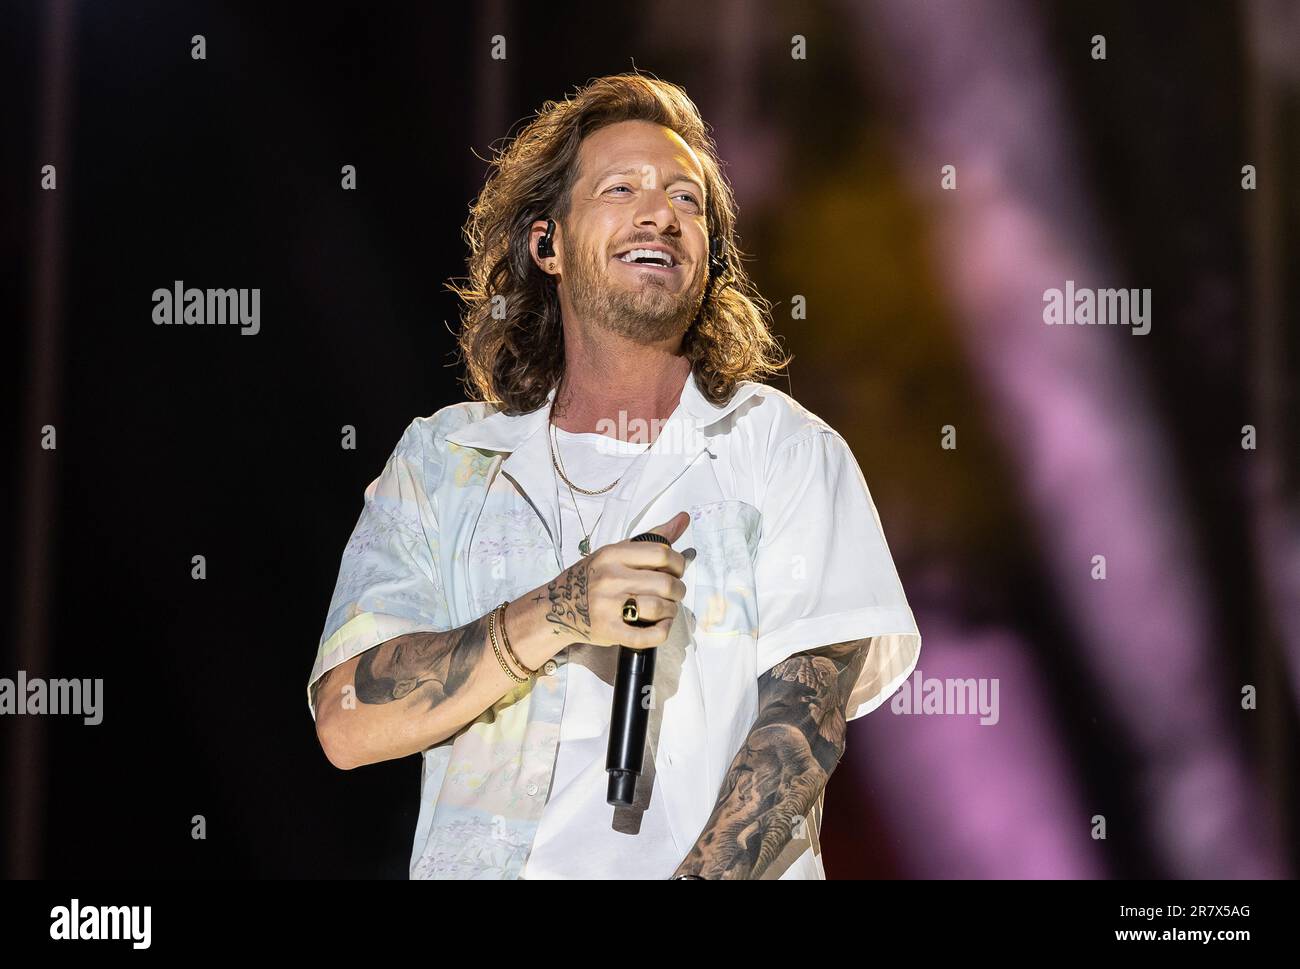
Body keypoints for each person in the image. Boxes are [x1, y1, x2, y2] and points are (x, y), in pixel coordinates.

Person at [307, 73, 921, 879]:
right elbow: (345, 721)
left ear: (710, 255)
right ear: (547, 244)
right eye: (620, 186)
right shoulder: (445, 460)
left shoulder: (784, 450)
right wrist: (560, 609)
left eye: (687, 199)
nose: (659, 211)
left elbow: (799, 736)